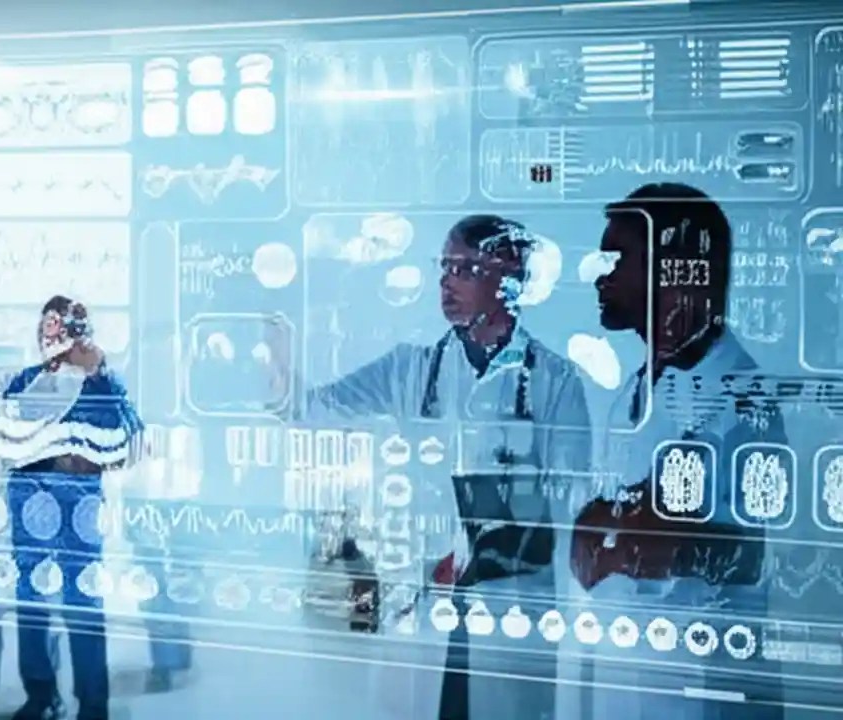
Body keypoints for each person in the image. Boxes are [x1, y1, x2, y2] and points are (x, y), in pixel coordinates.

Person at [271, 215, 592, 719]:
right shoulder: (410, 369)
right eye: (444, 268)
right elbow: (308, 409)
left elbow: (572, 498)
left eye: (464, 269)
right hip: (428, 596)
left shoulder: (554, 380)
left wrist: (475, 548)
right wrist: (275, 355)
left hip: (510, 598)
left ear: (506, 276)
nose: (446, 282)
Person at [571, 183, 784, 720]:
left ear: (676, 273)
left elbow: (752, 555)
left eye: (616, 259)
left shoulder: (744, 399)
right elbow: (595, 539)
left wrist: (639, 542)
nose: (600, 275)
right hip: (629, 668)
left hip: (702, 682)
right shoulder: (636, 390)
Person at [0, 295, 143, 720]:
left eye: (70, 329)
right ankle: (41, 694)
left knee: (82, 602)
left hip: (79, 506)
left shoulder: (103, 384)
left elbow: (129, 436)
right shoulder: (26, 381)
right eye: (52, 328)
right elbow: (7, 435)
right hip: (31, 500)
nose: (60, 339)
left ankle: (93, 703)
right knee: (31, 601)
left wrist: (99, 374)